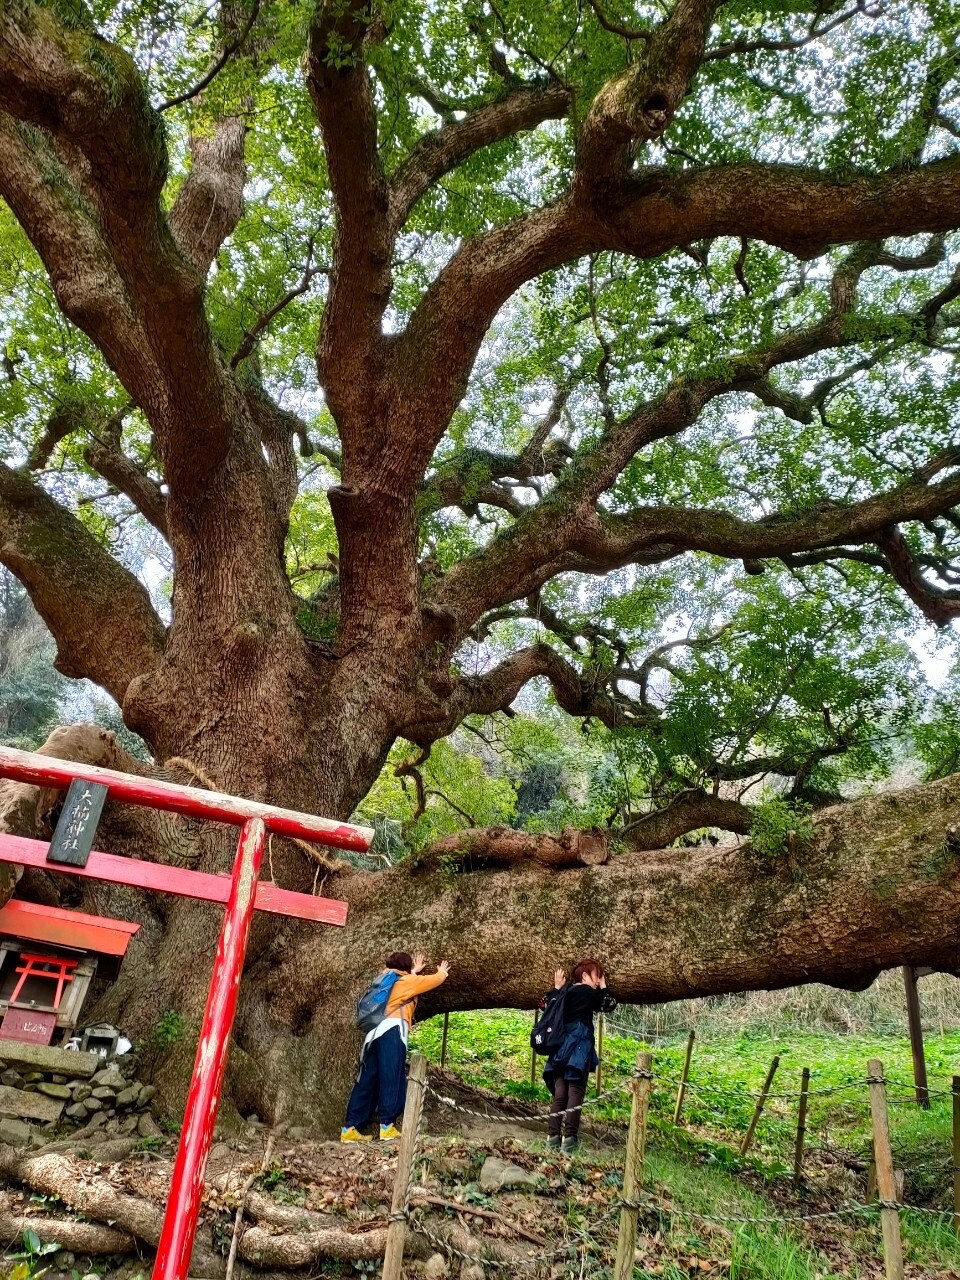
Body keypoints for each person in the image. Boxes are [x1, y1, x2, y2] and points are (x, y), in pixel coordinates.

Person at [341, 951, 449, 1143]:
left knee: (366, 1080)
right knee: (392, 1076)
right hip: (392, 1032)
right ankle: (387, 1126)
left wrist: (413, 971)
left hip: (373, 1035)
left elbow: (405, 987)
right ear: (406, 968)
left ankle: (350, 1128)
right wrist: (442, 972)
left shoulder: (385, 980)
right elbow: (432, 981)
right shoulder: (406, 981)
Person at [542, 959, 616, 1153]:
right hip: (578, 1047)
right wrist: (603, 986)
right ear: (584, 976)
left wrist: (556, 988)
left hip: (558, 1047)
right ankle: (570, 1139)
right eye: (596, 975)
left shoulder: (565, 992)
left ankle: (552, 1137)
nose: (598, 979)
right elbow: (609, 1004)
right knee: (576, 1091)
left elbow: (544, 1005)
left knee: (560, 1095)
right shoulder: (587, 992)